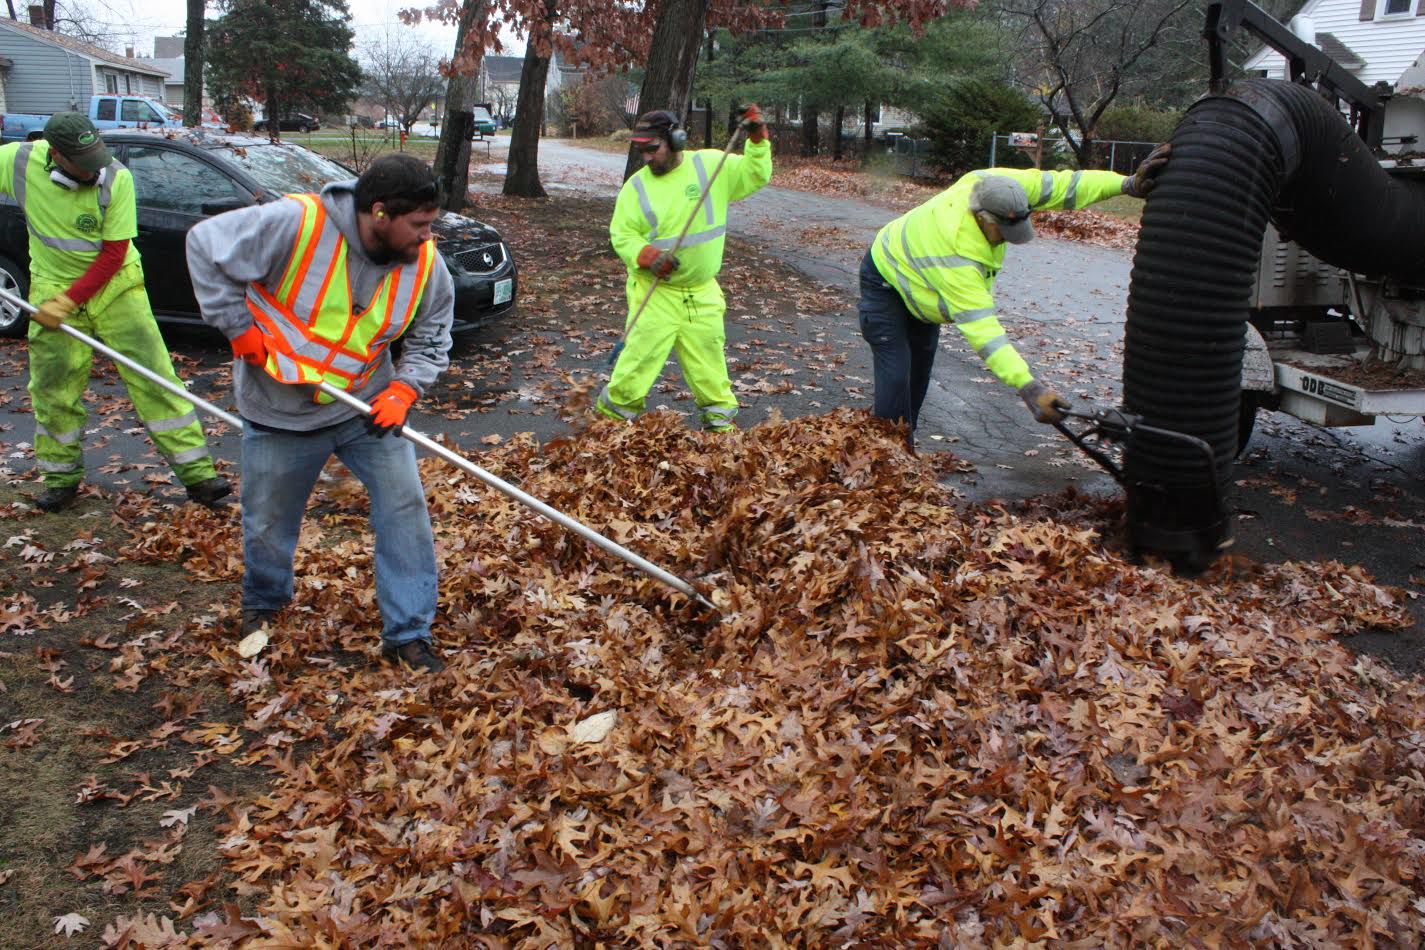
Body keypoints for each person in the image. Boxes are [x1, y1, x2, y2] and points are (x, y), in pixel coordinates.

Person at [185, 154, 455, 674]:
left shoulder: (425, 263)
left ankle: (408, 633)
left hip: (366, 408)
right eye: (419, 224)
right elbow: (204, 246)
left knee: (405, 511)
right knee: (269, 520)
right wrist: (236, 327)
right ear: (379, 212)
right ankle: (264, 603)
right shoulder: (296, 224)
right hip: (280, 410)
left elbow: (432, 334)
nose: (427, 236)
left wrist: (405, 388)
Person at [857, 145, 1171, 441]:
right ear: (981, 217)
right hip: (885, 281)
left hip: (920, 289)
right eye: (1002, 232)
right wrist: (1028, 387)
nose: (1007, 240)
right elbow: (984, 332)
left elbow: (1069, 185)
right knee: (897, 375)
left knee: (919, 375)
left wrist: (1126, 184)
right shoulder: (957, 255)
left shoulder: (1004, 189)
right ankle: (883, 459)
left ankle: (902, 448)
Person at [0, 112, 229, 512]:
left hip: (117, 288)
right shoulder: (18, 162)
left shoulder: (115, 177)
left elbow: (112, 255)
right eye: (83, 163)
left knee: (156, 379)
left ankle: (200, 478)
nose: (94, 170)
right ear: (55, 155)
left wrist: (68, 302)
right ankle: (60, 478)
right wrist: (59, 301)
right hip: (52, 287)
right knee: (54, 389)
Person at [597, 106, 773, 432]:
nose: (647, 157)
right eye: (642, 150)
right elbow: (621, 234)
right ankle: (607, 429)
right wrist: (647, 256)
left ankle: (721, 433)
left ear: (676, 140)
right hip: (656, 293)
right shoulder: (636, 188)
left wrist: (757, 138)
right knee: (637, 364)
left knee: (710, 367)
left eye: (653, 148)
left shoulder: (709, 167)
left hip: (701, 292)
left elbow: (755, 174)